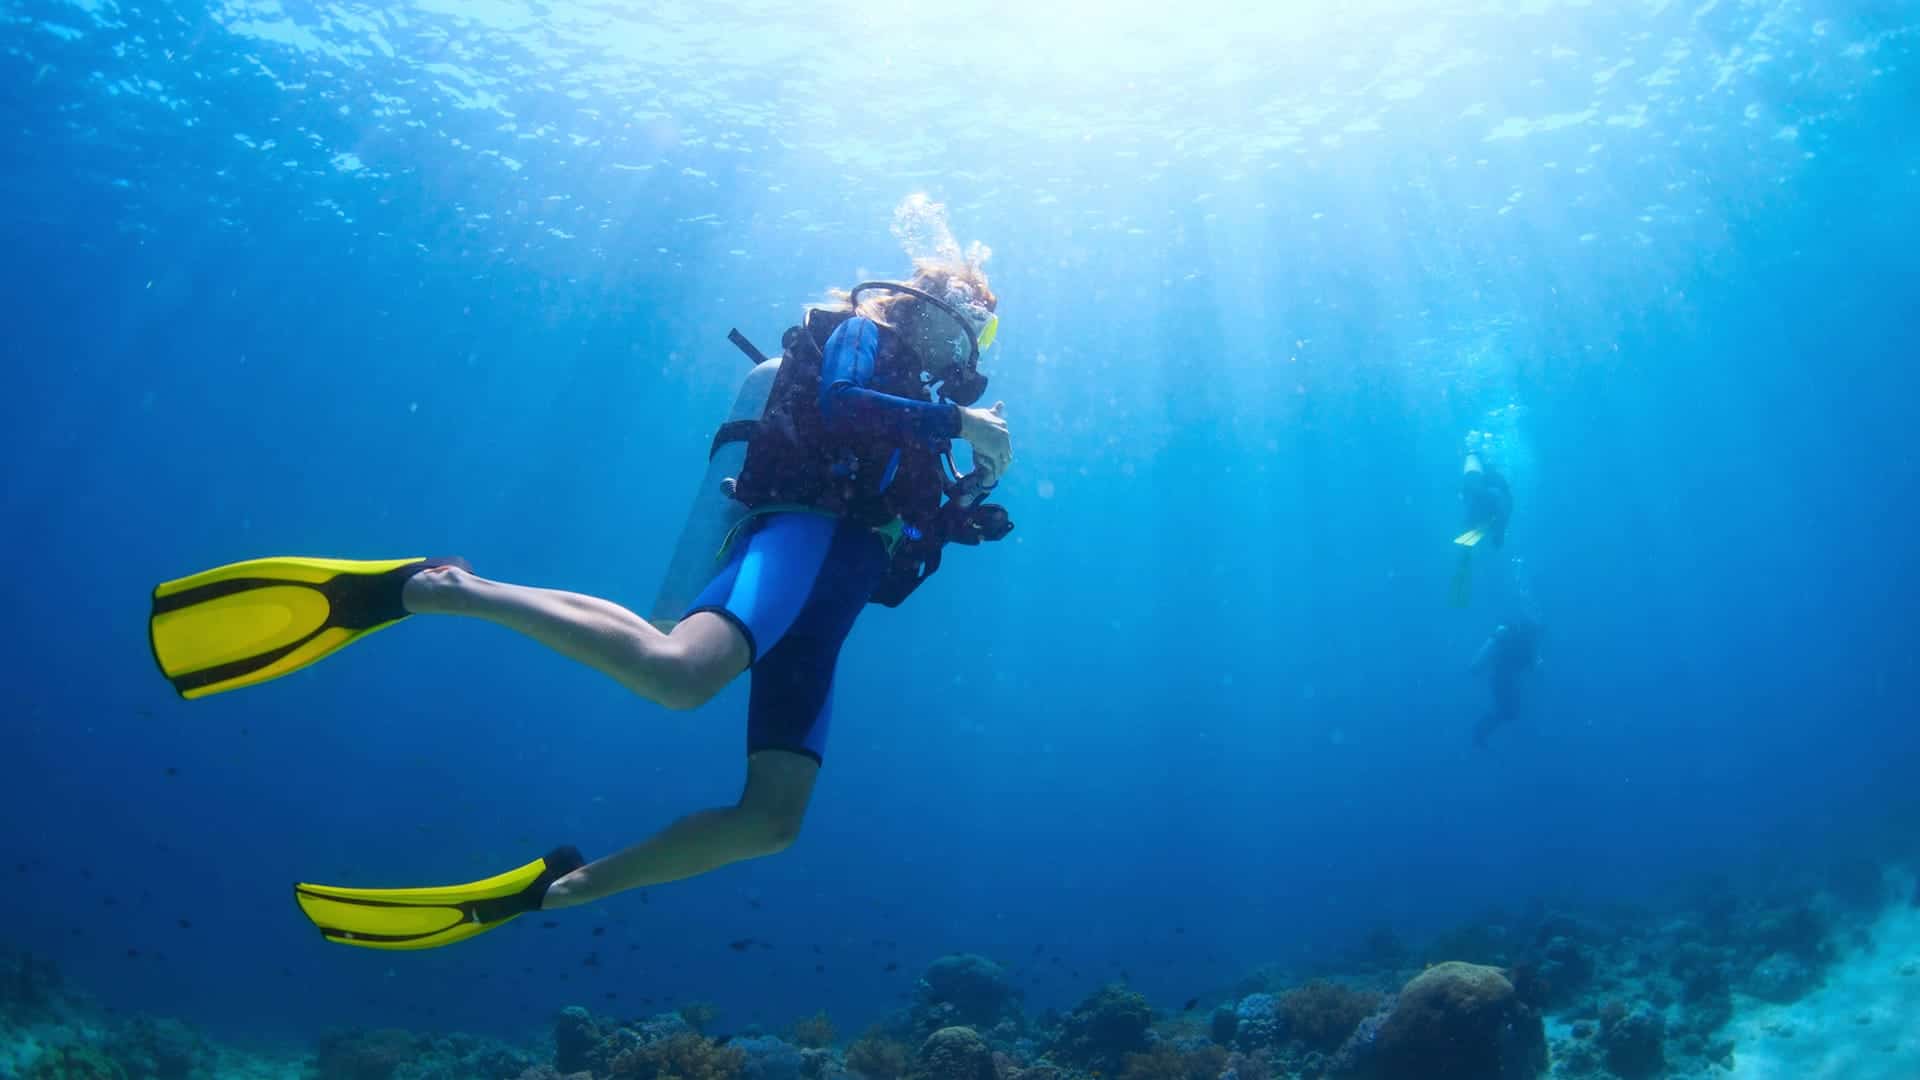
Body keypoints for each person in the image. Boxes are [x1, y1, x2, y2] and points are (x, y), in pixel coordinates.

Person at [147, 223, 1016, 950]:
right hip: (799, 536)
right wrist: (958, 422)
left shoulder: (926, 406)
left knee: (771, 820)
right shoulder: (867, 329)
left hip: (831, 597)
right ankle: (434, 591)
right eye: (975, 317)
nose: (972, 342)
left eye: (984, 334)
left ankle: (564, 890)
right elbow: (840, 405)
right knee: (678, 675)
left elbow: (894, 534)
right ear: (935, 299)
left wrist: (960, 506)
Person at [1448, 433, 1513, 607]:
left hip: (1476, 504)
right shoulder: (1495, 476)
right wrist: (1499, 532)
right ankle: (1467, 554)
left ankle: (1464, 557)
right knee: (1491, 512)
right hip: (1485, 505)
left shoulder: (1477, 473)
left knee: (1472, 520)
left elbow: (1463, 492)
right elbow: (1506, 500)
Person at [1469, 616, 1541, 748]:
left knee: (1510, 712)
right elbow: (1532, 666)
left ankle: (1479, 733)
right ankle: (1478, 733)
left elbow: (1528, 665)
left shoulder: (1519, 640)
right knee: (1509, 712)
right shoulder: (1524, 642)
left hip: (1504, 679)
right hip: (1503, 679)